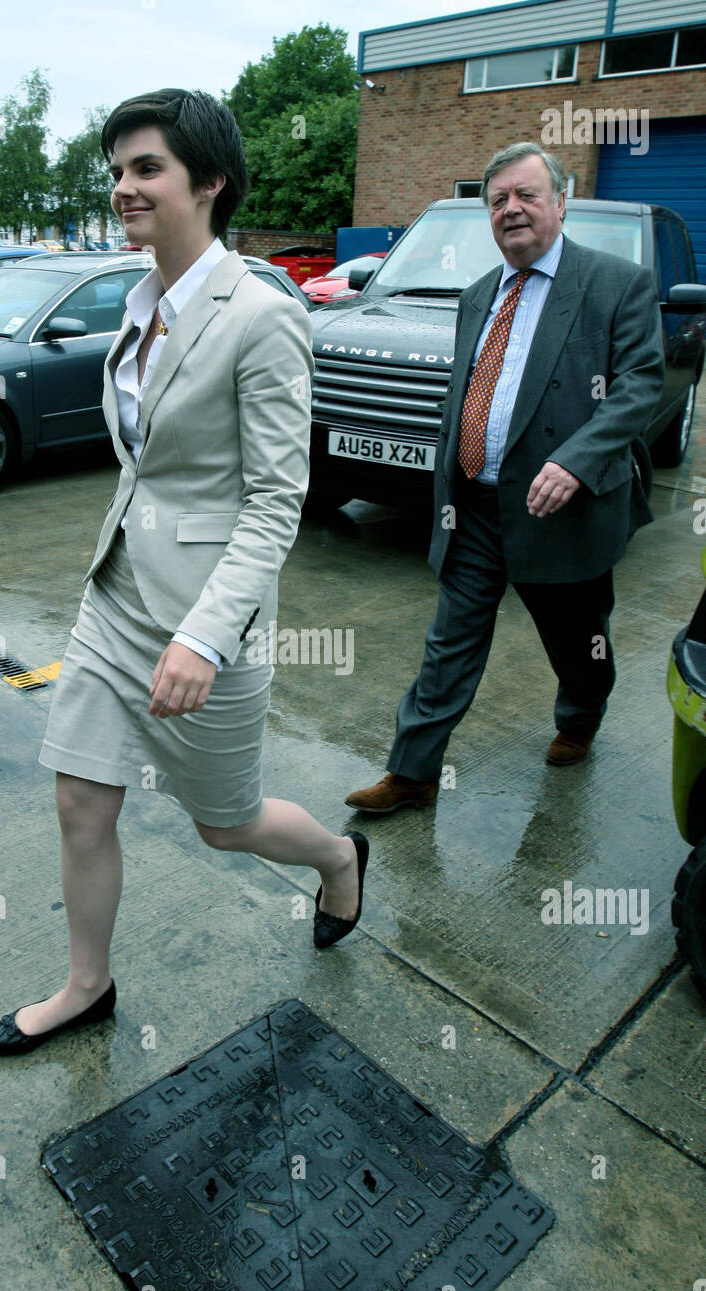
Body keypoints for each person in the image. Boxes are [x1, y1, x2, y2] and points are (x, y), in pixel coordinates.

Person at [0, 89, 369, 1056]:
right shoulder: (138, 297)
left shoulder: (262, 317)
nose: (123, 188)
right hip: (114, 595)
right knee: (79, 796)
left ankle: (335, 856)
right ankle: (86, 986)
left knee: (225, 825)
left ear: (210, 180)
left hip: (206, 621)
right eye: (117, 170)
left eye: (145, 167)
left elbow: (277, 499)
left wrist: (204, 633)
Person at [346, 141, 664, 816]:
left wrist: (578, 458)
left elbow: (638, 385)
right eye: (497, 201)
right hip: (473, 508)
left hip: (560, 510)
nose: (511, 209)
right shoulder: (476, 296)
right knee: (449, 642)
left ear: (559, 201)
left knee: (577, 642)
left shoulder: (615, 284)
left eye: (525, 194)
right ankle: (412, 772)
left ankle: (579, 716)